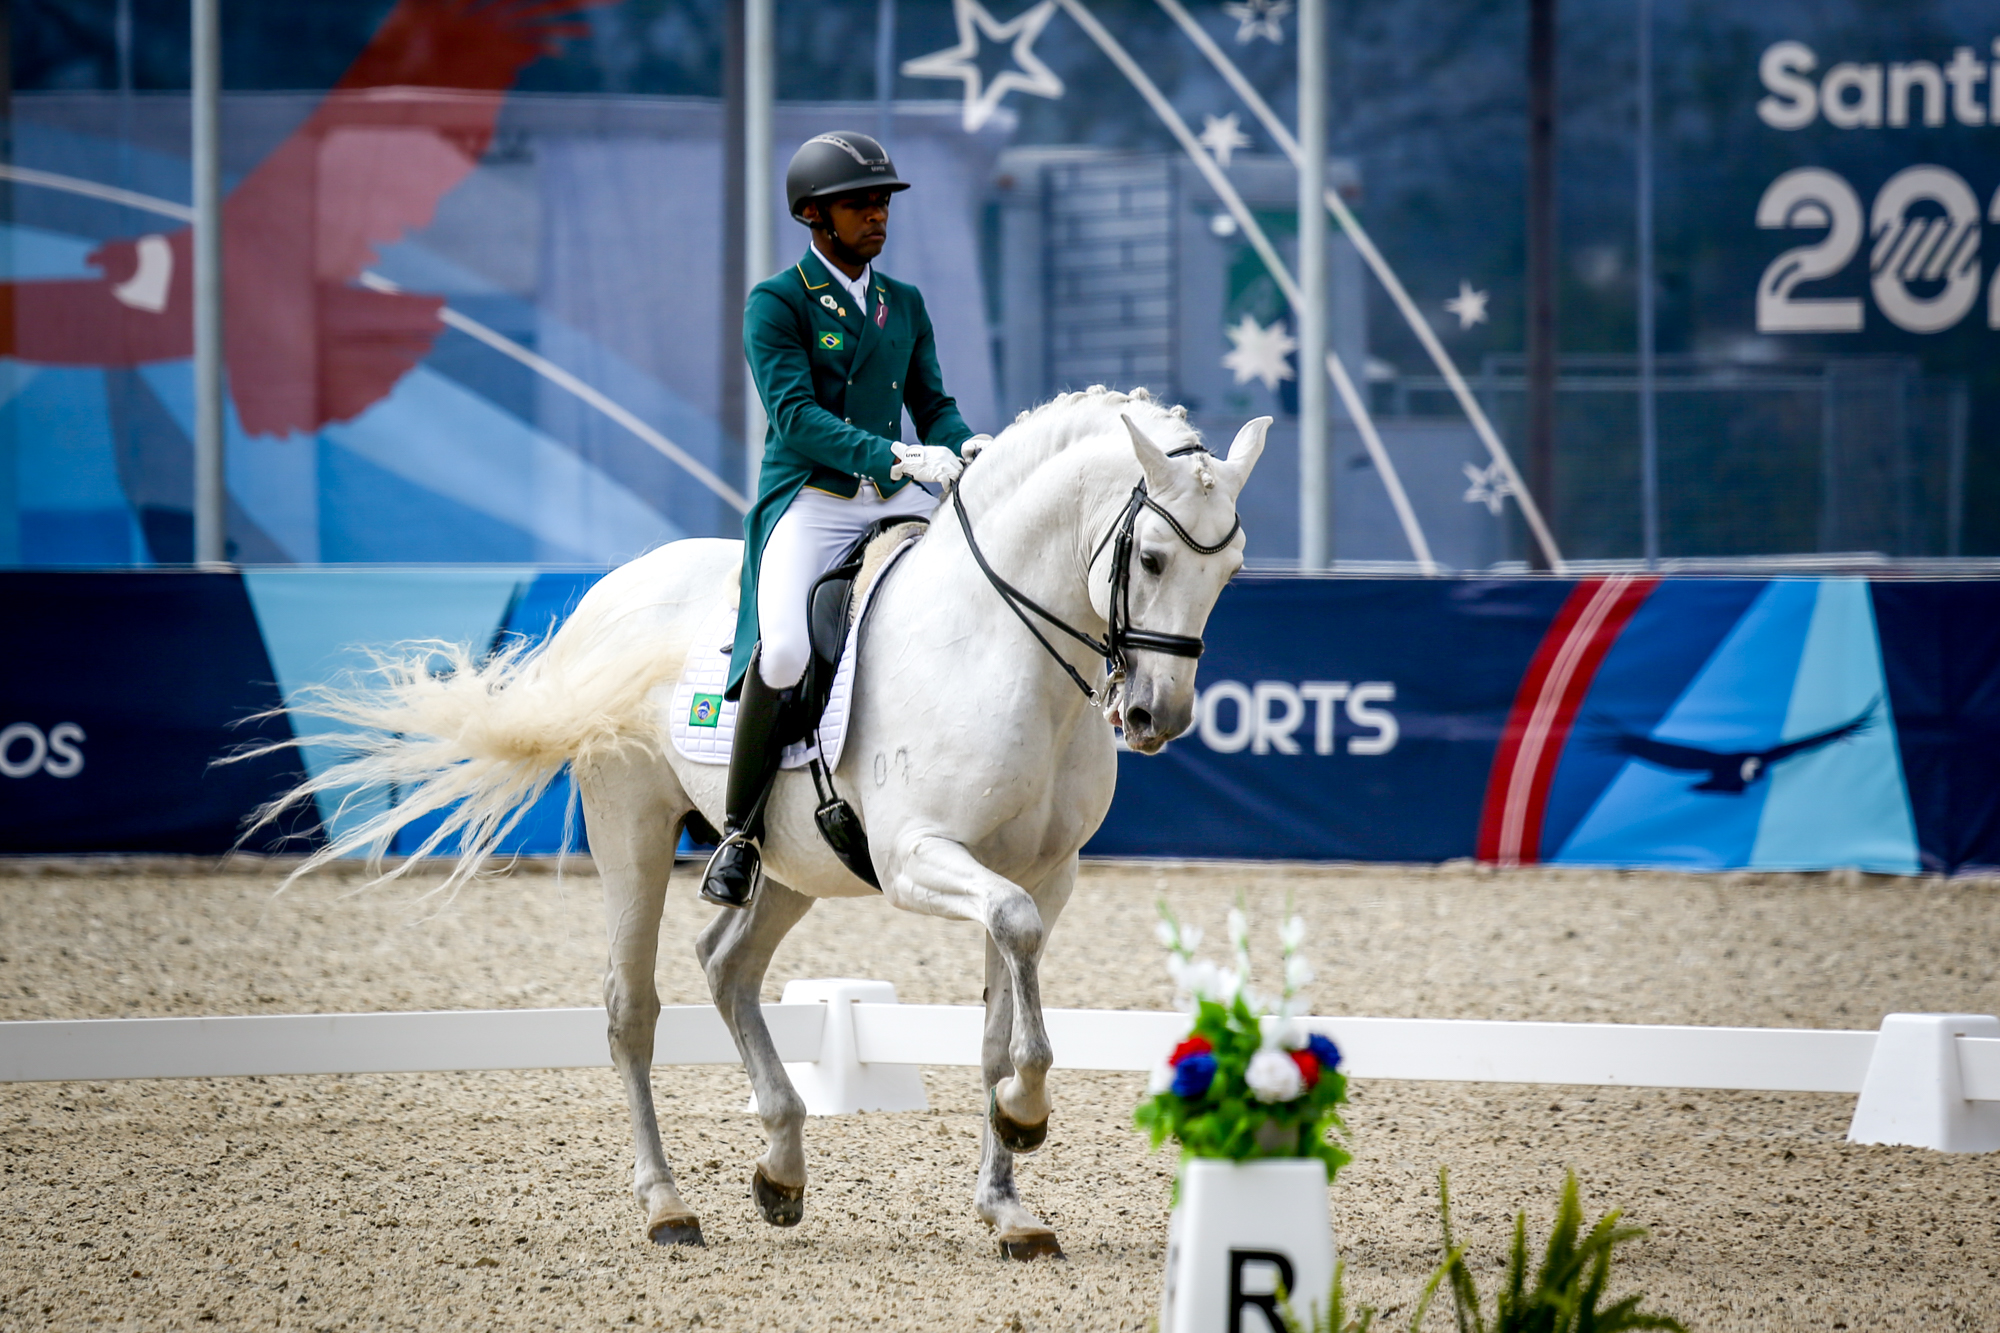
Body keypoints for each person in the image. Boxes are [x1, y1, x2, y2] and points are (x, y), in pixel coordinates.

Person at [701, 130, 988, 909]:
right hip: (816, 497)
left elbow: (933, 406)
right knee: (789, 647)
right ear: (812, 215)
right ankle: (740, 832)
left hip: (896, 490)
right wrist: (898, 456)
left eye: (883, 201)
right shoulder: (778, 302)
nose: (877, 215)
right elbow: (794, 418)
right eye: (860, 203)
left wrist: (969, 448)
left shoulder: (906, 303)